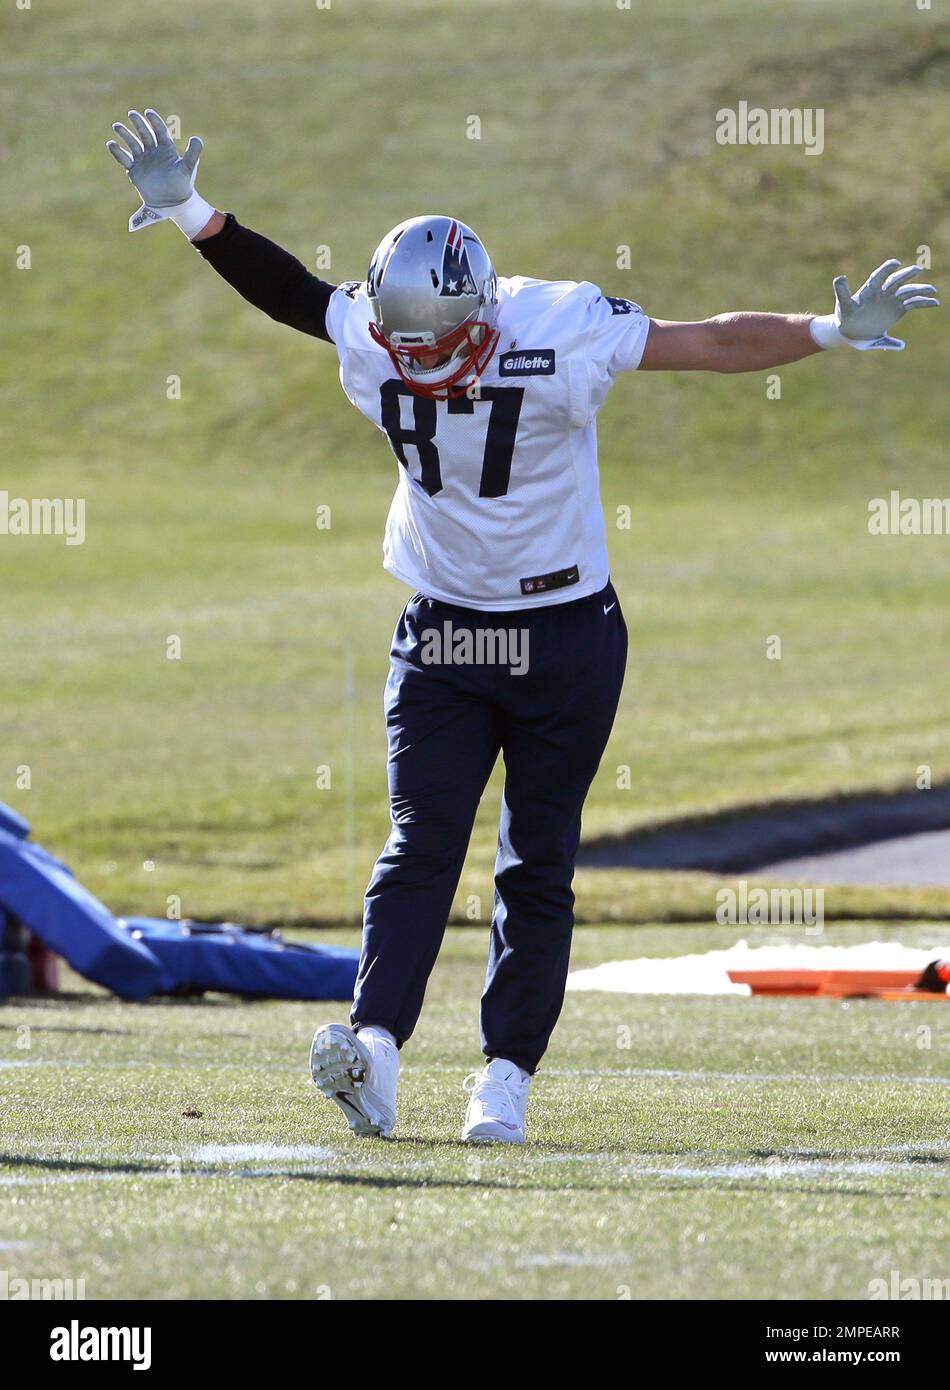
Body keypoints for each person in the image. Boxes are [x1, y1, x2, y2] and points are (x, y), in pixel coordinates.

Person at [107, 109, 939, 1144]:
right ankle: (374, 1051)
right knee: (419, 842)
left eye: (438, 346)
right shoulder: (377, 328)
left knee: (535, 858)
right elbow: (293, 294)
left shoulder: (562, 322)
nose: (420, 364)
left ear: (482, 313)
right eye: (404, 347)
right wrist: (189, 210)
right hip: (444, 631)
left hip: (563, 631)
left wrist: (824, 332)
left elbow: (710, 341)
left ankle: (504, 1076)